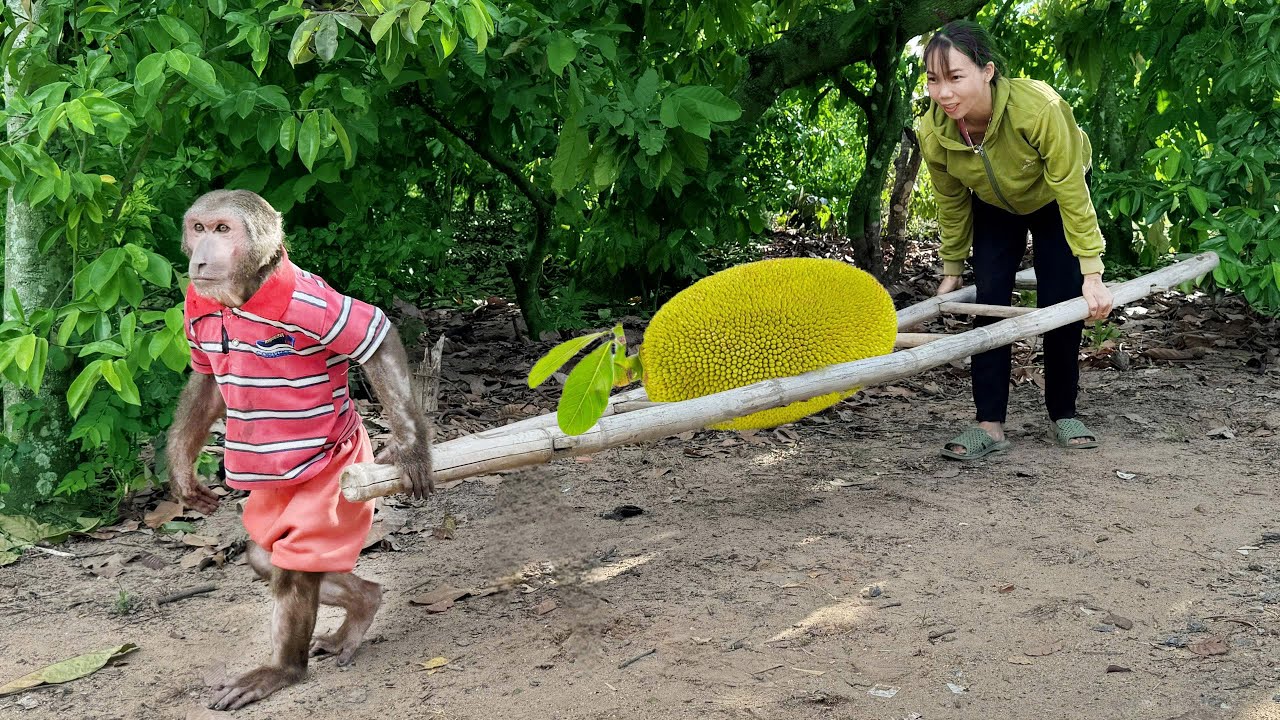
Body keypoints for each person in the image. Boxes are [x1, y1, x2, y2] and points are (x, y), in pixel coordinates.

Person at [917, 20, 1113, 460]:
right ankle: (989, 424)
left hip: (1053, 197)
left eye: (955, 77)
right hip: (993, 204)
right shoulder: (934, 131)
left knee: (1061, 299)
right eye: (933, 80)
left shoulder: (1039, 108)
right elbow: (951, 202)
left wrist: (1092, 273)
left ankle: (1063, 413)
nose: (943, 93)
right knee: (989, 302)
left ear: (987, 72)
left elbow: (1072, 190)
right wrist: (952, 268)